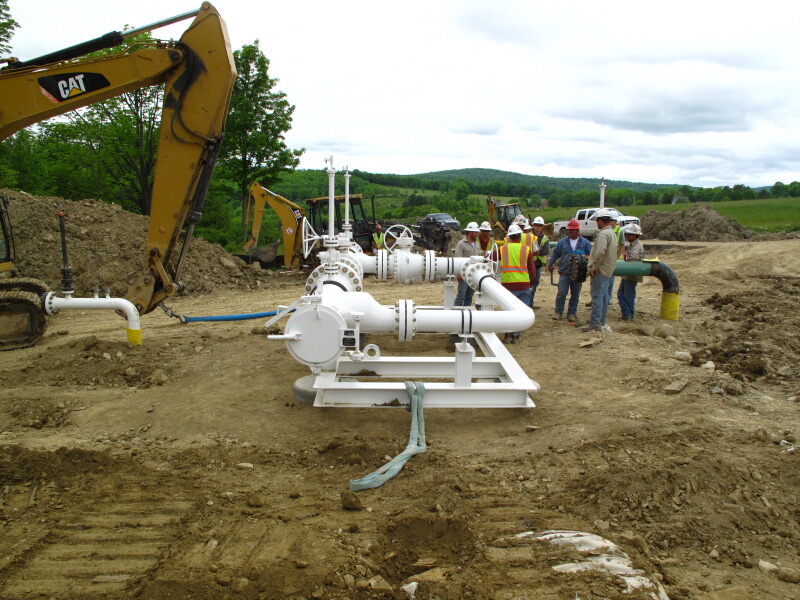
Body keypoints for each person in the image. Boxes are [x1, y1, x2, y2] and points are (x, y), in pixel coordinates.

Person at [547, 219, 592, 323]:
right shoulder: (562, 242)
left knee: (575, 294)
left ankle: (571, 313)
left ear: (578, 231)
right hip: (565, 272)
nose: (570, 232)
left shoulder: (585, 243)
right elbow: (555, 254)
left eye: (572, 230)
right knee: (562, 293)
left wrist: (584, 260)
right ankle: (558, 312)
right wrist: (550, 264)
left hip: (578, 274)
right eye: (569, 230)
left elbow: (591, 256)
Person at [582, 208, 618, 332]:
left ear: (601, 220)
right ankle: (601, 322)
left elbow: (600, 252)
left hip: (601, 270)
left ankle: (596, 323)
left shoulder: (603, 234)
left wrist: (594, 267)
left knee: (597, 296)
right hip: (608, 270)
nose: (597, 223)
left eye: (597, 220)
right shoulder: (612, 233)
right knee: (604, 297)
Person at [499, 224, 536, 343]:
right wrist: (532, 283)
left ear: (509, 237)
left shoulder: (503, 249)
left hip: (508, 285)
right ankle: (516, 336)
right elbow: (532, 269)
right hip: (523, 284)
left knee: (508, 310)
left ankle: (507, 335)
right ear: (520, 236)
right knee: (521, 311)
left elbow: (490, 258)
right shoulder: (526, 249)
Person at [618, 223, 645, 320]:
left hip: (632, 275)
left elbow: (632, 258)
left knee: (628, 296)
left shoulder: (638, 246)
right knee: (621, 295)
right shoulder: (632, 245)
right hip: (627, 274)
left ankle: (629, 315)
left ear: (635, 235)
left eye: (629, 234)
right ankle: (627, 314)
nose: (627, 236)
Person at [454, 221, 482, 307]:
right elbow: (458, 259)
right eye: (475, 232)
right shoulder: (461, 244)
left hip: (474, 274)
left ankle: (466, 312)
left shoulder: (477, 244)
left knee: (469, 296)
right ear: (470, 232)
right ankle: (456, 312)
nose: (477, 234)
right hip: (464, 275)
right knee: (461, 296)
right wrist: (459, 274)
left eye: (477, 232)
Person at [529, 216, 549, 309]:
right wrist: (538, 250)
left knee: (535, 283)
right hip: (529, 263)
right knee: (528, 284)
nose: (538, 227)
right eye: (537, 225)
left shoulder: (544, 238)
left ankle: (530, 302)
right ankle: (527, 303)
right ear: (534, 225)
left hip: (538, 264)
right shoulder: (529, 236)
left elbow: (546, 251)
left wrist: (536, 251)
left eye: (540, 225)